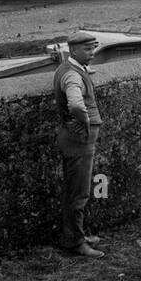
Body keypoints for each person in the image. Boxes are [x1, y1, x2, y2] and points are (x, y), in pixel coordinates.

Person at [52, 31, 105, 256]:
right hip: (79, 139)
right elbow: (75, 103)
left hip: (72, 137)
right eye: (87, 49)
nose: (92, 53)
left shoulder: (70, 68)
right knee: (79, 193)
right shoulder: (72, 76)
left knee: (75, 189)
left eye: (93, 48)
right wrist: (85, 122)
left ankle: (75, 234)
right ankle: (75, 242)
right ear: (73, 50)